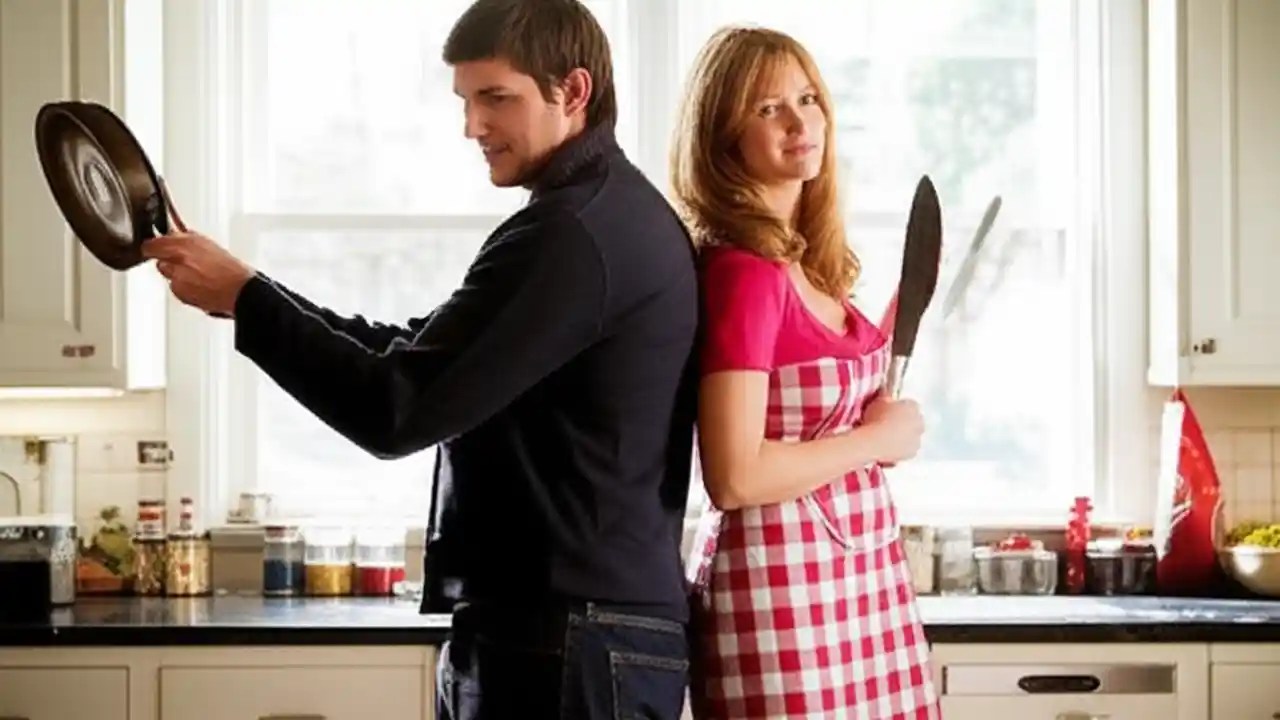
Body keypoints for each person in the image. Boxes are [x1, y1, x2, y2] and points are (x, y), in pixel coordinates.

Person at [143, 1, 698, 718]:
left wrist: (248, 300)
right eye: (466, 101)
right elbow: (417, 353)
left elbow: (398, 407)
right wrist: (246, 294)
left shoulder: (574, 236)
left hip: (570, 638)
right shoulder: (595, 218)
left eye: (496, 98)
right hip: (573, 630)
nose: (473, 126)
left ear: (574, 90)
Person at [671, 26, 941, 719]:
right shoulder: (744, 274)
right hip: (779, 588)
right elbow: (734, 476)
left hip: (854, 578)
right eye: (768, 109)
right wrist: (874, 441)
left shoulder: (807, 265)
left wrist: (875, 429)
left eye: (808, 99)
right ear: (722, 138)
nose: (799, 123)